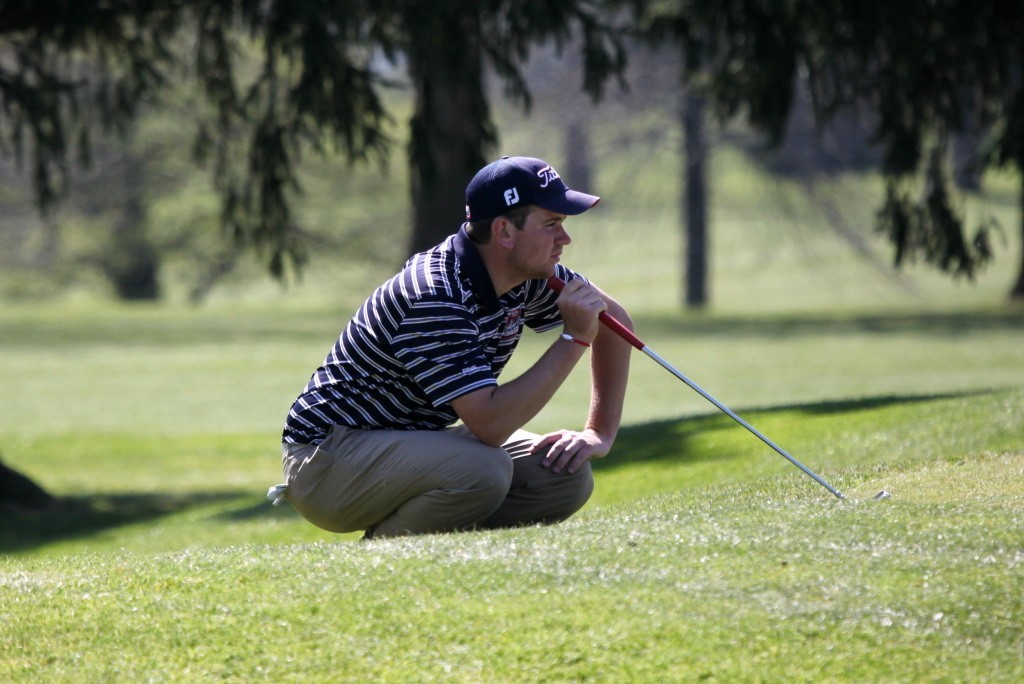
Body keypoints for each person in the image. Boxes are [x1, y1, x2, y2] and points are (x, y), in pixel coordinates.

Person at [271, 155, 633, 539]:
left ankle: (444, 548)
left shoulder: (527, 272)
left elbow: (614, 324)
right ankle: (380, 556)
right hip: (327, 459)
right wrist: (574, 338)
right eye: (551, 224)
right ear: (504, 232)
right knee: (482, 470)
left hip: (413, 443)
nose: (565, 239)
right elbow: (490, 425)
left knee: (563, 474)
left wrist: (599, 433)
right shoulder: (434, 295)